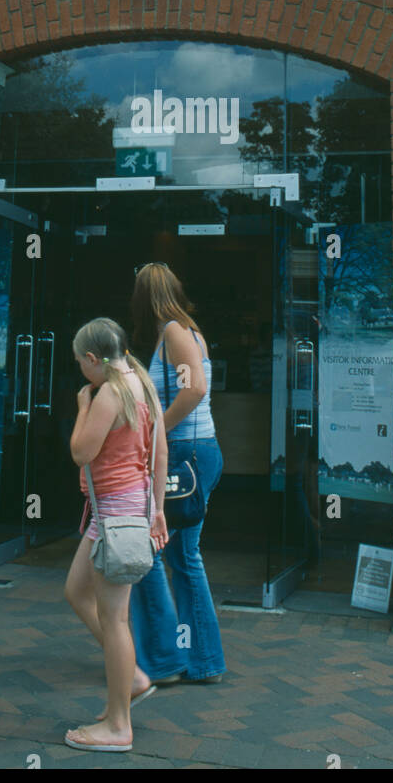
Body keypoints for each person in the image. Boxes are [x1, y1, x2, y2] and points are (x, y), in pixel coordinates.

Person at [63, 317, 168, 752]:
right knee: (76, 591)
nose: (80, 371)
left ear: (93, 359)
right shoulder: (141, 383)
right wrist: (157, 508)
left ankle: (119, 724)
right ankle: (132, 681)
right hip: (119, 509)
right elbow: (161, 450)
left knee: (115, 617)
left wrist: (83, 408)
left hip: (117, 511)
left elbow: (80, 452)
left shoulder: (109, 392)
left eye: (79, 362)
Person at [129, 263, 226, 684]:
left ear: (145, 296)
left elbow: (196, 388)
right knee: (181, 556)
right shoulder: (188, 330)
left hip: (187, 451)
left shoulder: (173, 331)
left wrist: (156, 431)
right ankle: (191, 658)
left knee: (174, 556)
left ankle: (183, 660)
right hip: (196, 451)